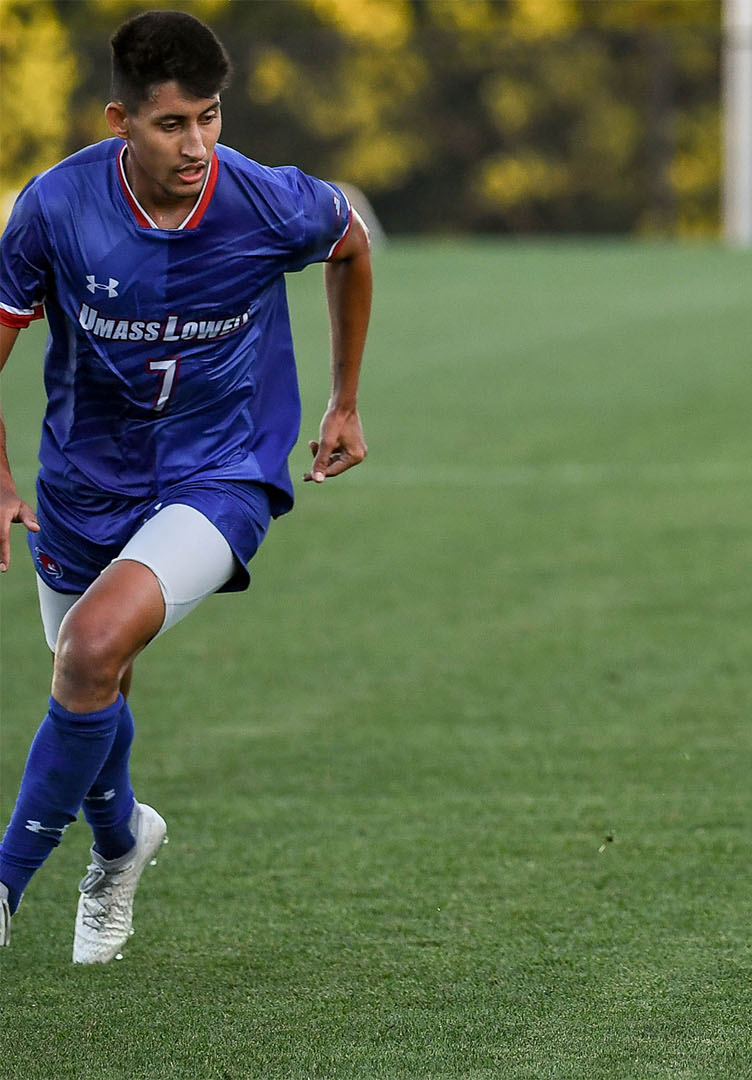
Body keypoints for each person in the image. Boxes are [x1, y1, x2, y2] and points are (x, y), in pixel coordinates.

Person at [0, 10, 371, 961]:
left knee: (89, 646)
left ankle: (5, 885)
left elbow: (351, 243)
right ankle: (122, 844)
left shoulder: (266, 200)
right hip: (83, 480)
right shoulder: (54, 208)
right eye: (173, 124)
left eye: (210, 117)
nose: (199, 144)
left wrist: (343, 400)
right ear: (121, 118)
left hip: (223, 470)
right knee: (93, 680)